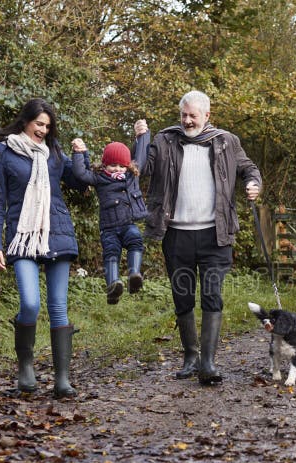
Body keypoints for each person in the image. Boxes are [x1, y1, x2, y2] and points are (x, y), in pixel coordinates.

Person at [141, 90, 262, 385]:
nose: (187, 120)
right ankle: (190, 358)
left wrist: (253, 183)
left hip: (214, 235)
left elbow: (248, 168)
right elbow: (142, 168)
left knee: (211, 294)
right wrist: (142, 138)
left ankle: (208, 362)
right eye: (183, 115)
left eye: (193, 115)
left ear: (207, 115)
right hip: (177, 235)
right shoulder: (165, 140)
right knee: (182, 296)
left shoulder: (225, 141)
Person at [0, 98, 87, 399]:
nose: (43, 130)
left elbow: (80, 182)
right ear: (25, 122)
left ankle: (62, 379)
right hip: (22, 236)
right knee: (30, 303)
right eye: (39, 124)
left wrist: (82, 154)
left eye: (47, 125)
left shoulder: (55, 153)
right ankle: (26, 367)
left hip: (57, 233)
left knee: (58, 306)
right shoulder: (4, 152)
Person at [70, 120, 150, 304]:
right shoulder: (99, 178)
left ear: (127, 166)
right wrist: (79, 153)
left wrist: (143, 135)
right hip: (109, 228)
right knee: (111, 253)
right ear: (105, 164)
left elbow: (141, 155)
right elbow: (80, 173)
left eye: (121, 166)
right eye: (112, 165)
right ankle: (113, 285)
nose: (117, 169)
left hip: (128, 224)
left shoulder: (131, 176)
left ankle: (134, 275)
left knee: (136, 240)